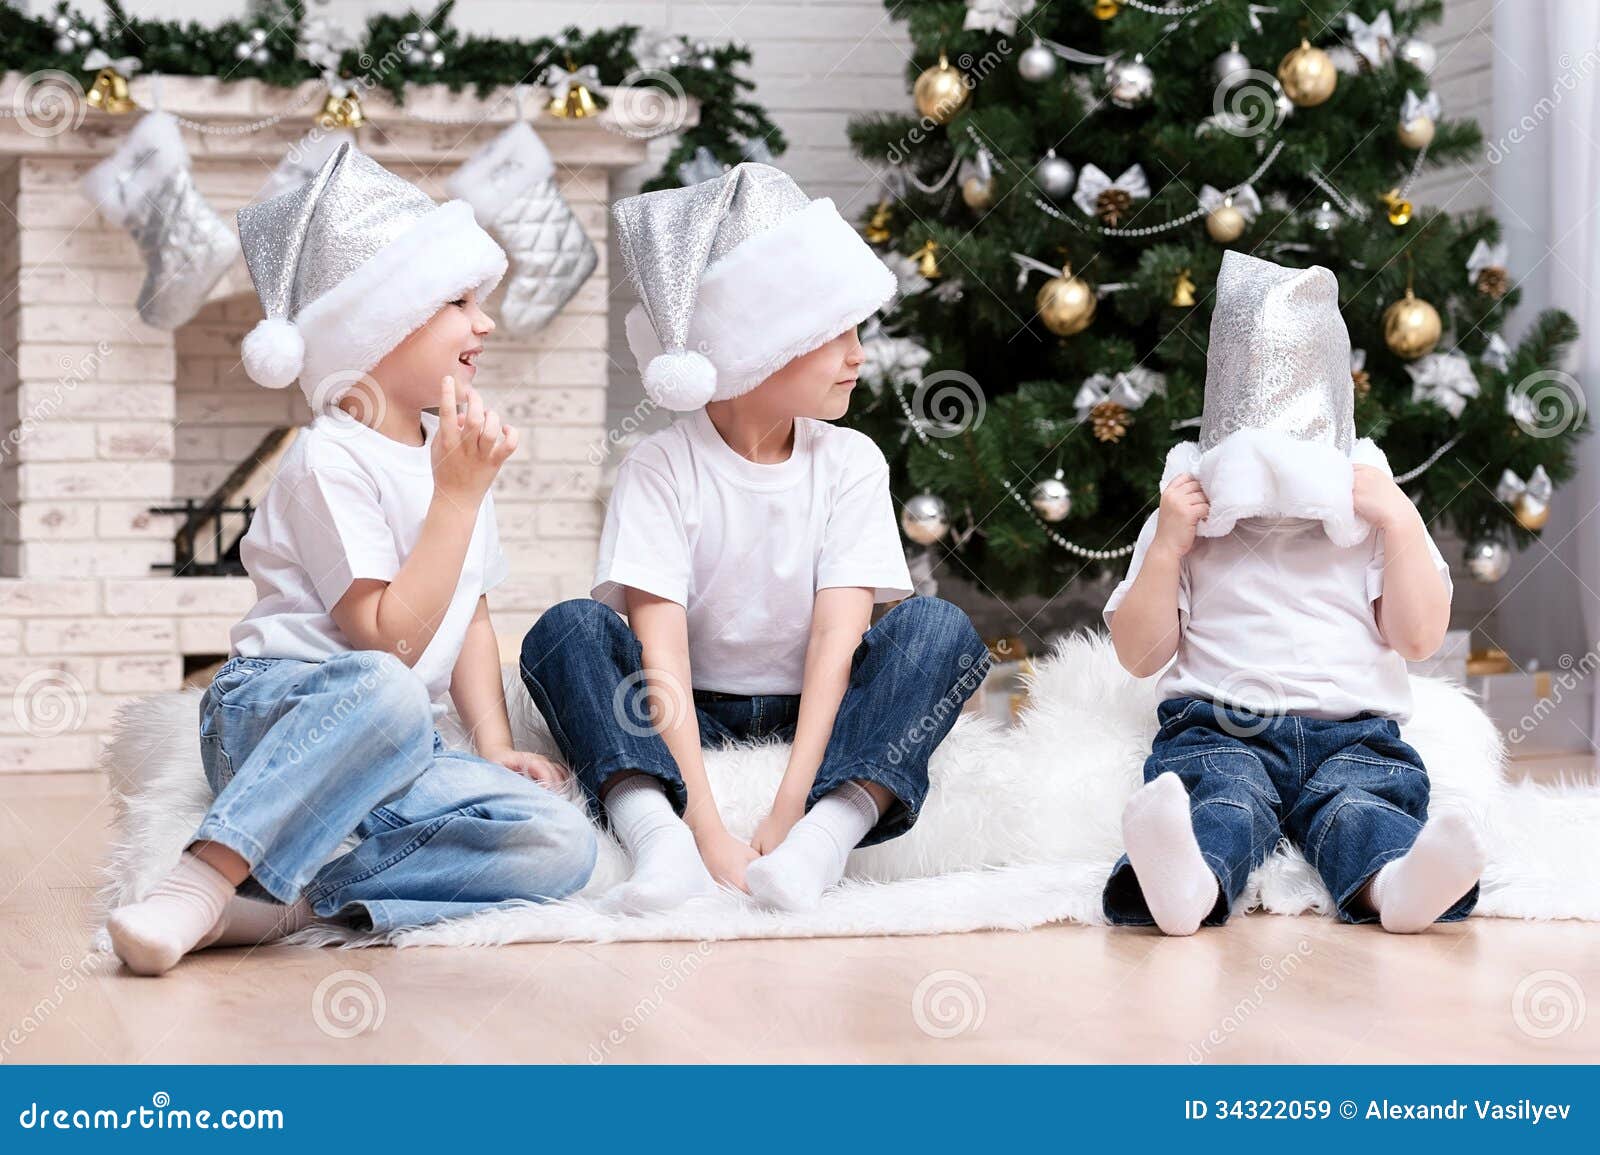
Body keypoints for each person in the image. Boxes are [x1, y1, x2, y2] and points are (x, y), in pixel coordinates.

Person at [107, 144, 596, 976]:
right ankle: (200, 878)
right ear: (382, 323)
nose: (484, 321)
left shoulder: (453, 451)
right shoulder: (327, 459)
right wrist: (456, 499)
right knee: (389, 688)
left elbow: (468, 607)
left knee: (559, 844)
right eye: (458, 300)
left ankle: (288, 899)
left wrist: (490, 744)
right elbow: (384, 643)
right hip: (281, 715)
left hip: (404, 742)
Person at [521, 164, 990, 914]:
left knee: (940, 629)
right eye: (834, 332)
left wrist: (793, 806)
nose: (857, 354)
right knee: (564, 631)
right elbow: (660, 652)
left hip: (821, 707)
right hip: (695, 706)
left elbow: (838, 640)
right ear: (757, 346)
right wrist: (705, 829)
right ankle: (656, 840)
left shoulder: (851, 462)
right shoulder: (660, 466)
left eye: (856, 331)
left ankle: (826, 840)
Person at [1101, 249, 1483, 936]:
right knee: (1221, 797)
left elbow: (1419, 637)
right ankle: (1187, 886)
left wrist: (1397, 520)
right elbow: (1139, 652)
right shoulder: (1188, 498)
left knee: (1364, 806)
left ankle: (1397, 886)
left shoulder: (1373, 498)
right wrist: (1166, 547)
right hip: (1222, 722)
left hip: (1353, 732)